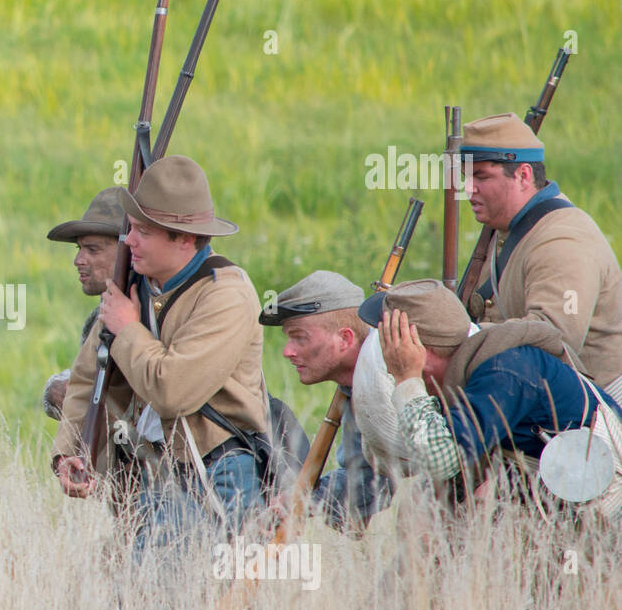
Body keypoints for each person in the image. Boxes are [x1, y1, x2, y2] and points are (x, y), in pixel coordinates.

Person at [51, 155, 268, 564]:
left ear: (184, 239)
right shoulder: (139, 288)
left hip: (217, 474)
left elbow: (172, 391)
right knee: (137, 603)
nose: (128, 241)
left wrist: (128, 327)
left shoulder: (227, 296)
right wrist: (72, 452)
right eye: (130, 229)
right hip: (158, 474)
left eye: (142, 232)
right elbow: (87, 380)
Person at [372, 278, 622, 521]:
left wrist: (407, 379)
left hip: (601, 513)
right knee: (424, 504)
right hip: (564, 504)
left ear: (419, 353)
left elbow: (439, 461)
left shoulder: (504, 372)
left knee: (447, 507)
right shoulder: (489, 363)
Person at [461, 112, 622, 401]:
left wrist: (465, 336)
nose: (468, 189)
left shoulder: (564, 241)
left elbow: (553, 335)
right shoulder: (506, 229)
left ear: (523, 175)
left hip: (597, 416)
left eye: (481, 177)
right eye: (465, 177)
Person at [260, 270, 393, 528]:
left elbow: (378, 486)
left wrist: (308, 498)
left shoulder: (379, 377)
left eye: (299, 338)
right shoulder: (359, 377)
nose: (288, 351)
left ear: (345, 338)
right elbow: (364, 482)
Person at [41, 187, 123, 420]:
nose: (78, 260)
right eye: (80, 248)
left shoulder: (152, 311)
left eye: (92, 249)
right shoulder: (97, 319)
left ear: (126, 251)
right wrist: (58, 389)